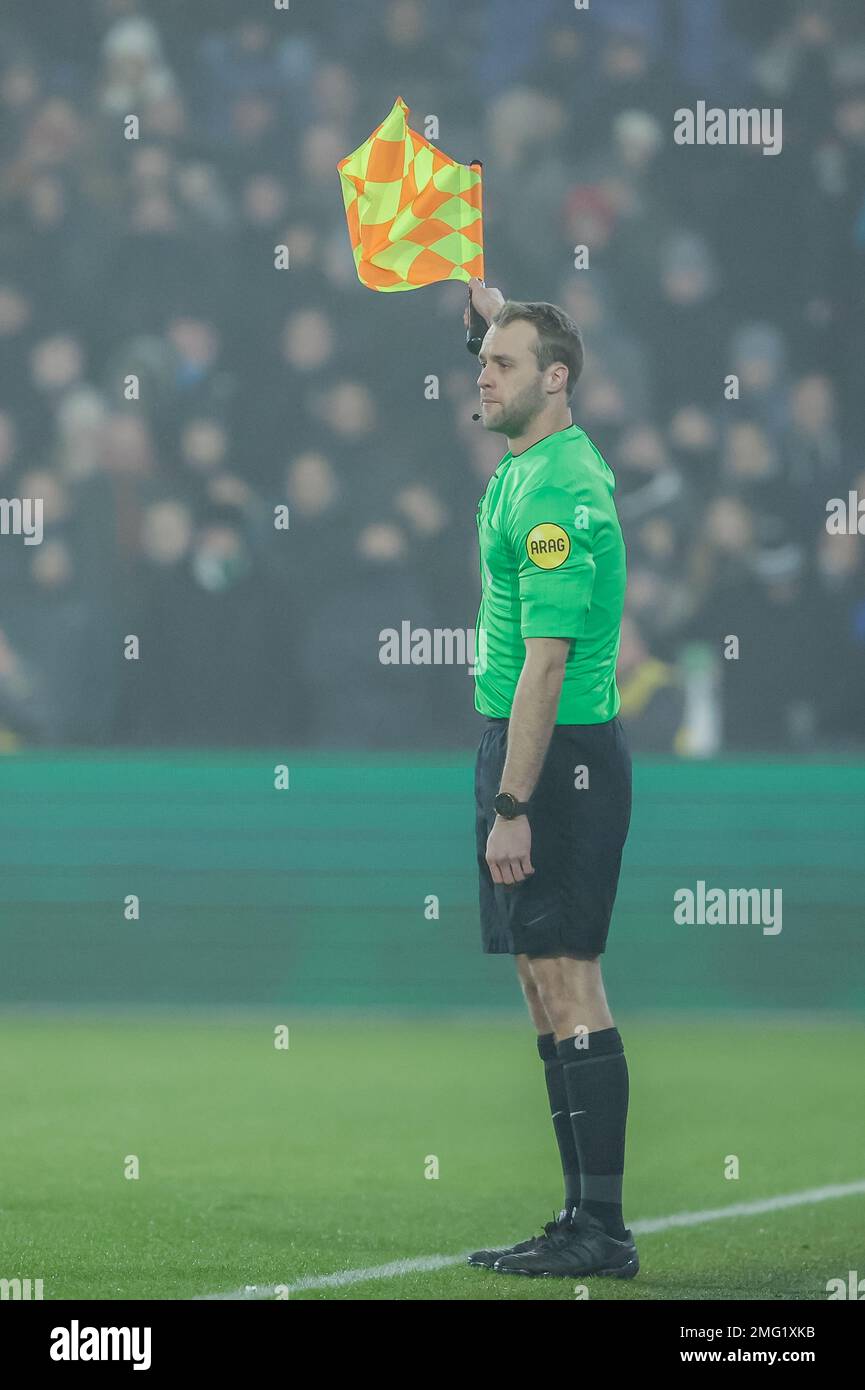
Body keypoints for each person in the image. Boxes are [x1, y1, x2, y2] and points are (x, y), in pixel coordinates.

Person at [464, 279, 637, 1279]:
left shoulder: (560, 491)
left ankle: (602, 1228)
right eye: (483, 359)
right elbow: (516, 346)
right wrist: (490, 307)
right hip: (521, 750)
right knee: (540, 981)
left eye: (500, 363)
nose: (481, 377)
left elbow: (548, 659)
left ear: (556, 379)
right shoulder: (531, 459)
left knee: (569, 977)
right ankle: (577, 1214)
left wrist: (513, 805)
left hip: (555, 763)